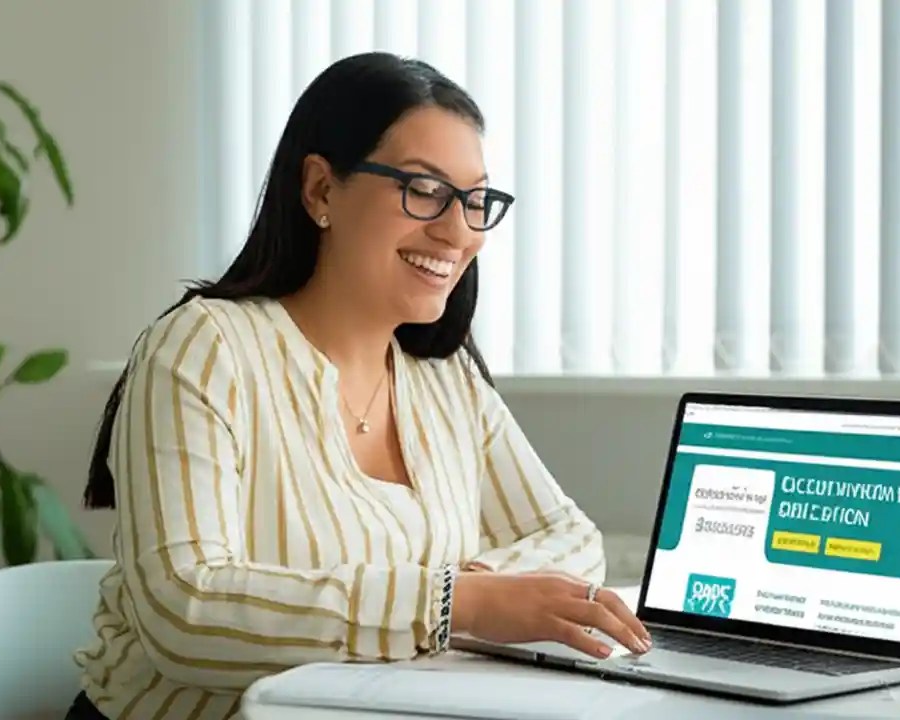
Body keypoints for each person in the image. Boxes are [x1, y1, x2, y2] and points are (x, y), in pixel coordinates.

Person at [66, 52, 651, 720]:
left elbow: (571, 538)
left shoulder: (445, 377)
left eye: (476, 200)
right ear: (320, 190)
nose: (459, 230)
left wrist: (468, 593)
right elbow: (187, 612)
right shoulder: (204, 349)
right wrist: (454, 605)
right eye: (424, 189)